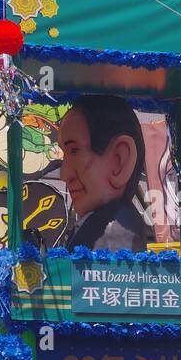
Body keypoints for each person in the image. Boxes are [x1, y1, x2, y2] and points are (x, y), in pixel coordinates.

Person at [58, 94, 153, 251]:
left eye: (74, 151)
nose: (64, 175)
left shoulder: (113, 230)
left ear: (120, 159)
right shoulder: (97, 222)